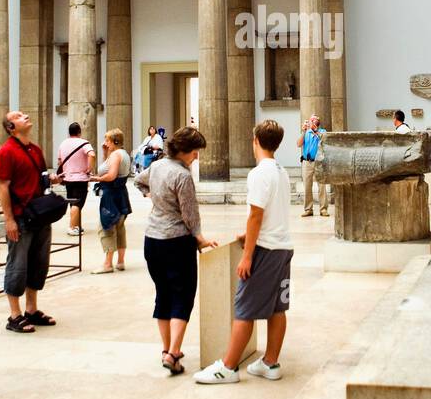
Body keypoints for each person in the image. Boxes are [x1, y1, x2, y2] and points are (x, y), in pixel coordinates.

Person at [196, 120, 294, 385]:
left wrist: (248, 254)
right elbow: (270, 214)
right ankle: (270, 363)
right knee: (277, 308)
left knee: (244, 308)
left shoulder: (259, 173)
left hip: (265, 249)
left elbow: (256, 215)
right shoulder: (282, 171)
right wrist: (247, 236)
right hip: (283, 247)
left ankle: (228, 368)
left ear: (255, 141)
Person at [134, 126, 217, 374]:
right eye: (195, 152)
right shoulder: (182, 175)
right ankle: (173, 352)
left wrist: (152, 196)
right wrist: (200, 238)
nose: (196, 157)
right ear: (184, 151)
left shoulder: (158, 166)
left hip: (153, 239)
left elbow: (139, 180)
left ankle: (167, 349)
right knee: (182, 296)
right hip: (177, 242)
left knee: (163, 295)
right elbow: (189, 213)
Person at [0, 110, 58, 334]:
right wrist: (9, 220)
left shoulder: (35, 149)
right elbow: (2, 187)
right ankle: (14, 315)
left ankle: (31, 309)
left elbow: (41, 176)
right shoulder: (6, 152)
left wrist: (51, 179)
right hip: (20, 217)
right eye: (19, 116)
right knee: (17, 264)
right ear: (11, 128)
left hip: (40, 214)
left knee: (39, 263)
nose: (25, 116)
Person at [88, 128, 132, 274]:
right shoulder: (122, 153)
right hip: (120, 194)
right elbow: (109, 169)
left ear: (115, 141)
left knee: (106, 226)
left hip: (111, 194)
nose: (105, 142)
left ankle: (107, 264)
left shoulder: (116, 155)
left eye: (107, 140)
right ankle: (120, 261)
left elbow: (111, 175)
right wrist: (105, 152)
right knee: (120, 228)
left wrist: (97, 179)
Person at [54, 122, 94, 240]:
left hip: (68, 178)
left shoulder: (63, 143)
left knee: (72, 201)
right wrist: (89, 168)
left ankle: (77, 225)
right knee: (78, 203)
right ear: (79, 132)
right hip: (80, 177)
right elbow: (92, 154)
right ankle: (72, 227)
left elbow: (60, 161)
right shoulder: (84, 143)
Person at [297, 114, 329, 218]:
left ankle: (323, 209)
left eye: (315, 119)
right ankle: (308, 209)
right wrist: (303, 131)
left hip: (319, 162)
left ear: (318, 122)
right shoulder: (306, 133)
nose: (313, 121)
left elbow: (325, 141)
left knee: (321, 186)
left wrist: (316, 132)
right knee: (307, 186)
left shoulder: (322, 132)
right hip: (307, 162)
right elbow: (298, 144)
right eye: (311, 119)